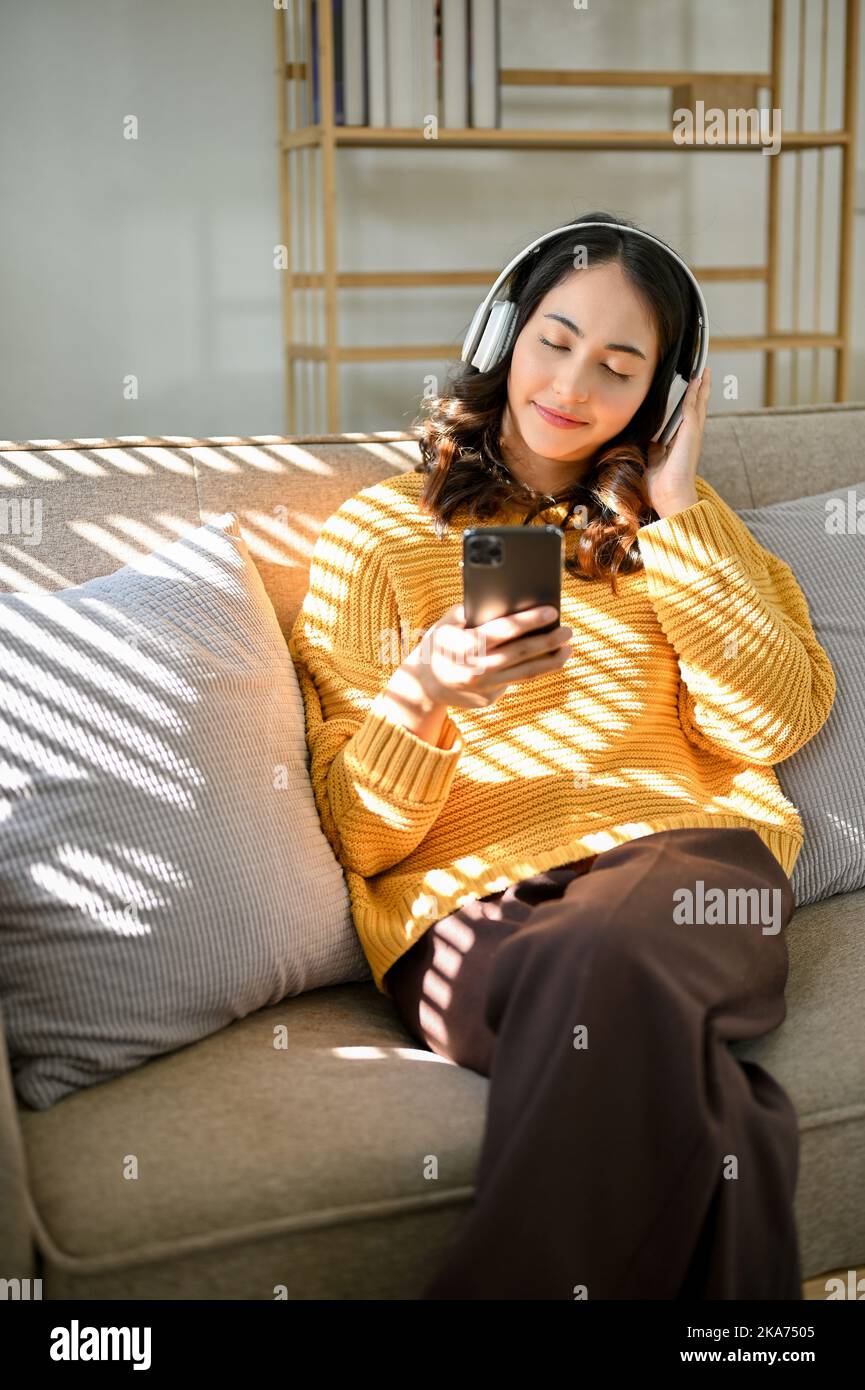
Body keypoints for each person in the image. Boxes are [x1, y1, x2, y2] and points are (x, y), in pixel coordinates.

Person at [287, 211, 837, 1300]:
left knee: (616, 944)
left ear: (660, 399)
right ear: (500, 337)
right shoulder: (376, 535)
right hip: (465, 918)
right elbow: (357, 833)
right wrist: (424, 695)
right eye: (554, 338)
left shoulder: (690, 526)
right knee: (721, 1121)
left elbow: (771, 722)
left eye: (620, 366)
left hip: (685, 869)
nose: (573, 384)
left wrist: (674, 519)